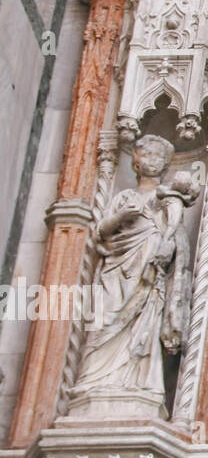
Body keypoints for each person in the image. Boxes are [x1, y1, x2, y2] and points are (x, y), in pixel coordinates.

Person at [69, 135, 195, 417]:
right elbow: (101, 231)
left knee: (144, 327)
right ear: (135, 163)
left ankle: (139, 384)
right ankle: (95, 381)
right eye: (146, 156)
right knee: (104, 320)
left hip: (149, 274)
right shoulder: (125, 197)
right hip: (117, 271)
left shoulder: (165, 199)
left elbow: (175, 235)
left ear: (165, 166)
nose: (152, 162)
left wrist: (166, 246)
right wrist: (122, 217)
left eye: (158, 158)